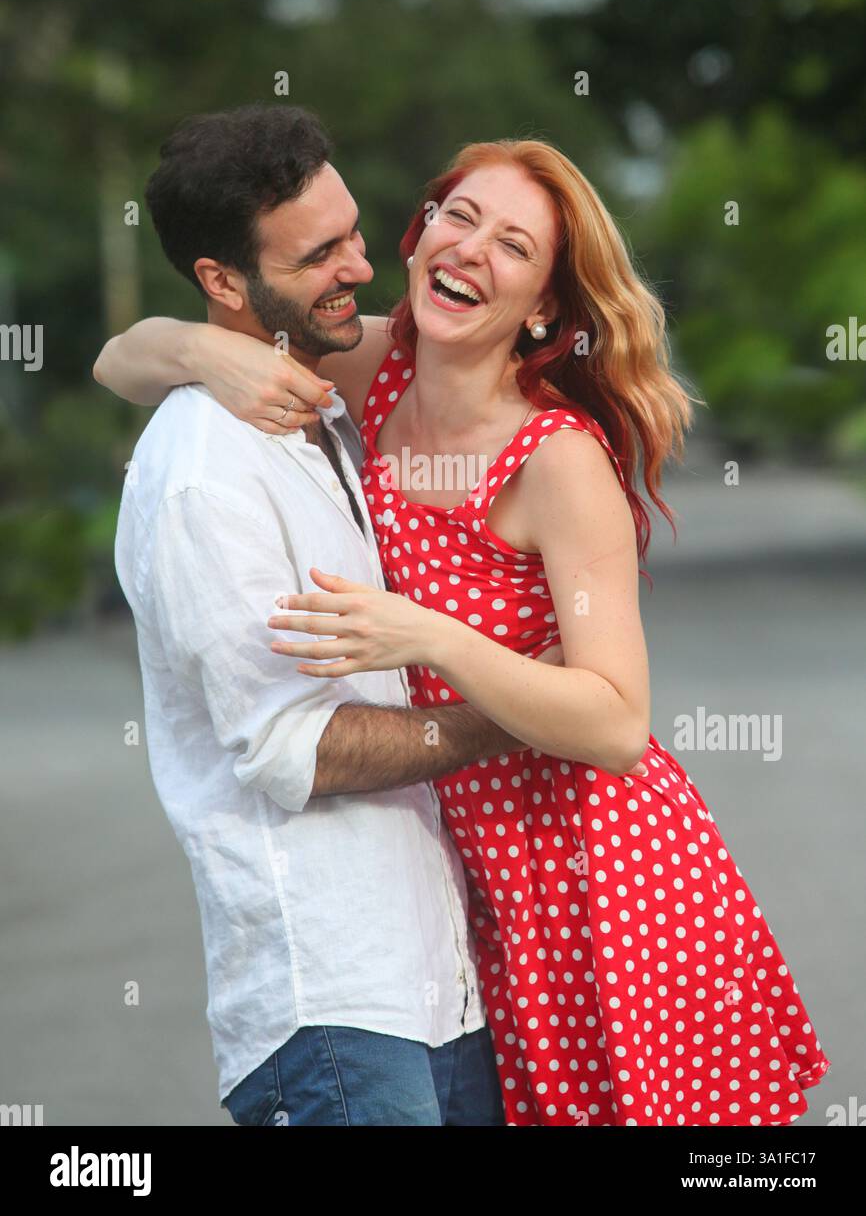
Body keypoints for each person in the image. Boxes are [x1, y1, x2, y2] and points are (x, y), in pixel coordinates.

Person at [96, 116, 830, 1126]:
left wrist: (432, 636)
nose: (472, 249)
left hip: (594, 869)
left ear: (544, 304)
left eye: (514, 245)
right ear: (423, 231)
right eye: (460, 216)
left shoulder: (556, 460)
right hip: (471, 886)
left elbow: (619, 723)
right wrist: (199, 351)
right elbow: (119, 361)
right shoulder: (370, 367)